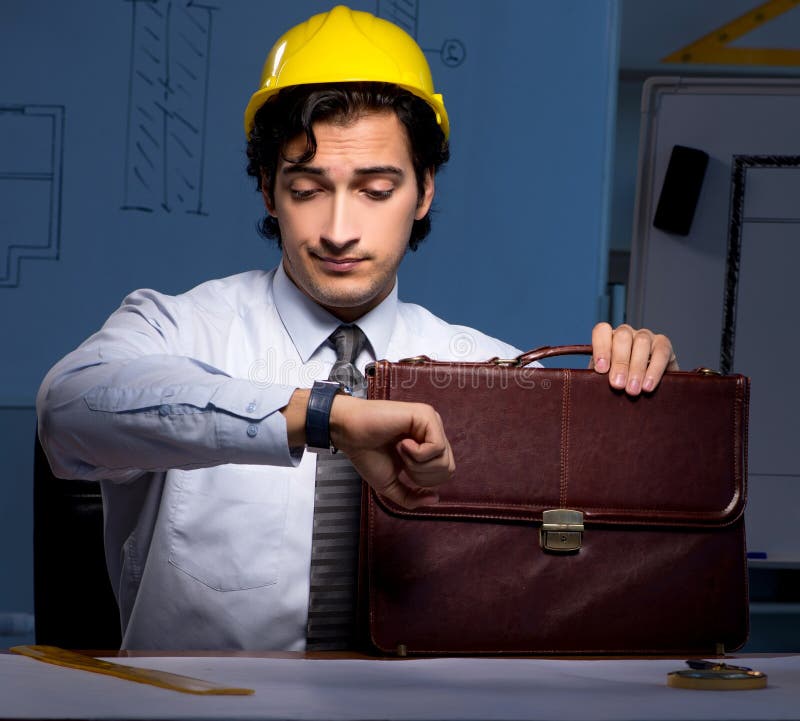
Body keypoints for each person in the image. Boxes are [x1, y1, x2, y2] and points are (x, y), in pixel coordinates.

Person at [36, 5, 677, 651]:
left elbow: (599, 580)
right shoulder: (178, 328)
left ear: (423, 191)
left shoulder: (500, 378)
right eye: (309, 188)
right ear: (268, 190)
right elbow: (66, 411)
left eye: (375, 190)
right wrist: (323, 416)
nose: (339, 229)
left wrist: (635, 423)